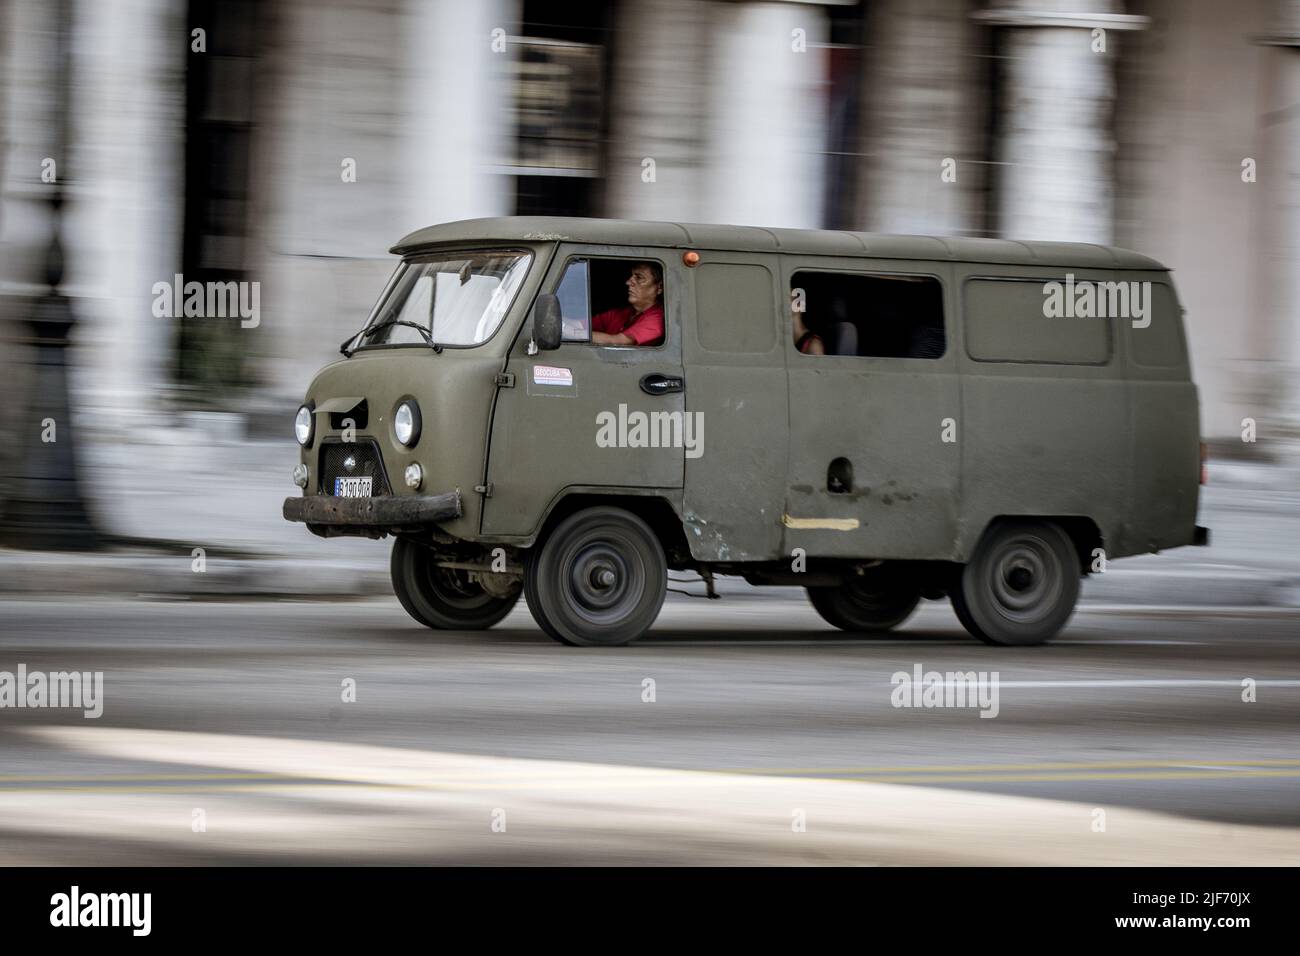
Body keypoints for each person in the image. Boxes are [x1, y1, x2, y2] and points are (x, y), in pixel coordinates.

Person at [591, 262, 665, 346]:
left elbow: (617, 342)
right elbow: (583, 324)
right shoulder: (625, 312)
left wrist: (576, 334)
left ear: (659, 287)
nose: (628, 282)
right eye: (631, 277)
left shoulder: (657, 320)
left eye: (639, 278)